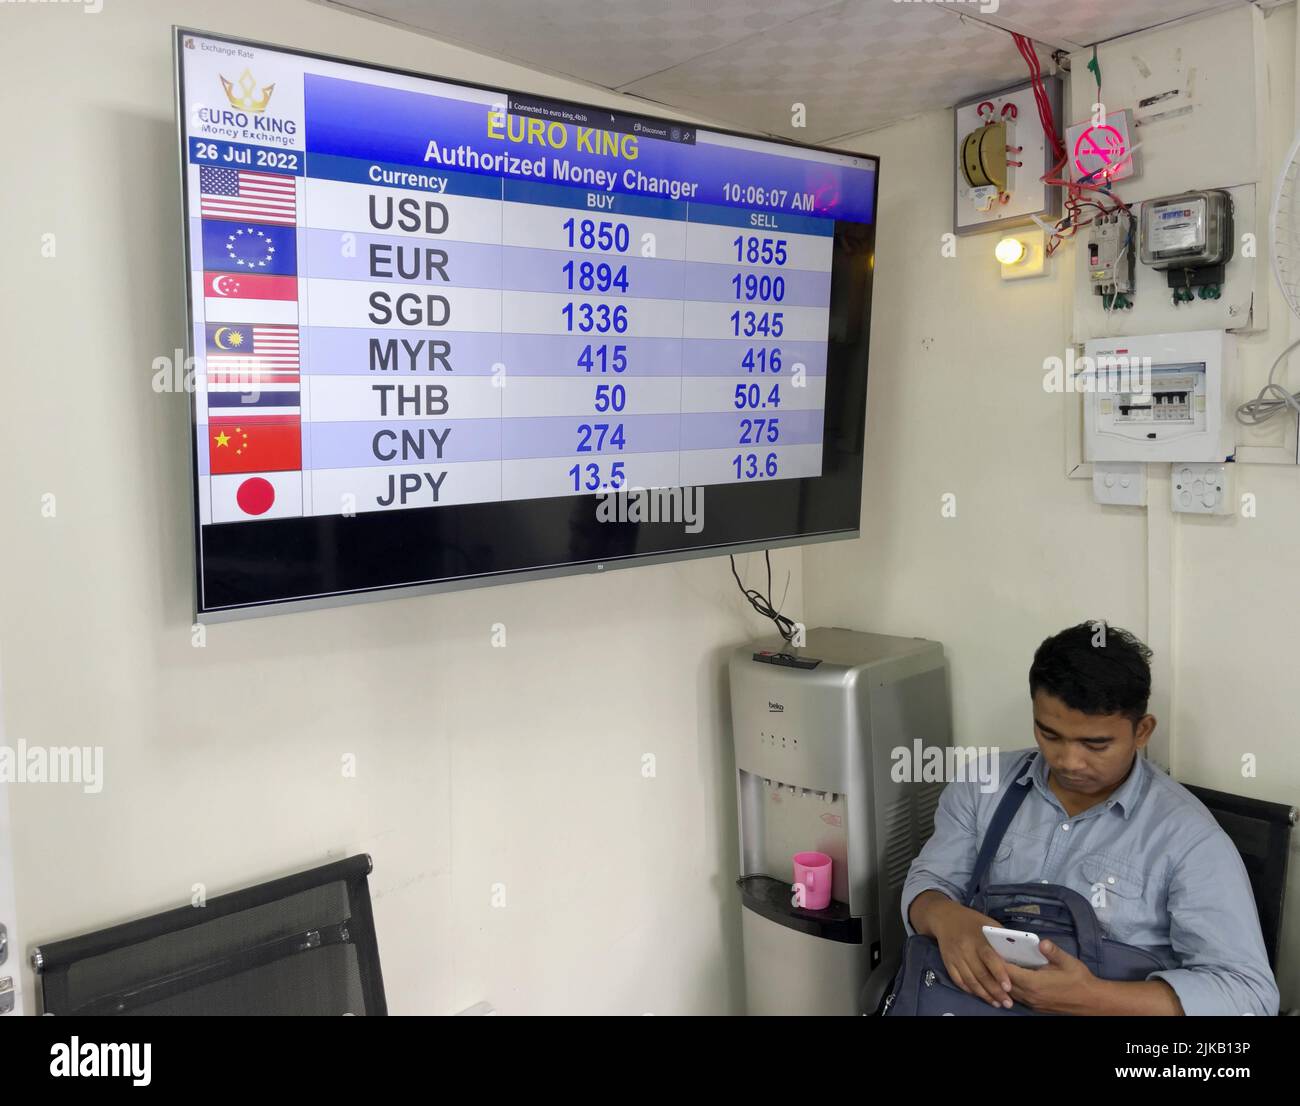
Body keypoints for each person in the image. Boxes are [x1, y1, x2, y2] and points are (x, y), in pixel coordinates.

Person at [901, 622, 1279, 1015]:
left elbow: (1249, 995)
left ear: (1142, 731)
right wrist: (946, 917)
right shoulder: (983, 788)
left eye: (1095, 744)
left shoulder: (1188, 839)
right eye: (1050, 734)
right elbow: (930, 882)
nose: (1068, 761)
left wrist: (1094, 998)